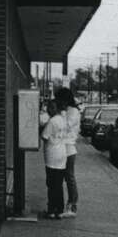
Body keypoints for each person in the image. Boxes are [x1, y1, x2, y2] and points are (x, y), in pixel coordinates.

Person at [41, 85, 80, 218]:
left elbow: (66, 125)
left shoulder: (73, 111)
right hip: (62, 148)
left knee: (69, 178)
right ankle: (60, 207)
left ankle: (72, 205)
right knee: (59, 180)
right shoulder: (63, 112)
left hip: (68, 147)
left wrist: (60, 113)